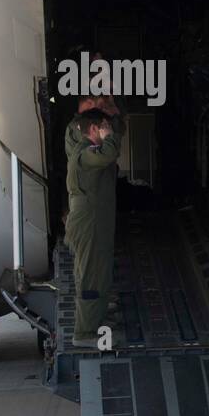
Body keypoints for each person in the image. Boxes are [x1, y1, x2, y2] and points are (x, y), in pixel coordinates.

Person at [65, 109, 121, 348]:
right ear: (94, 129)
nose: (108, 130)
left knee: (98, 272)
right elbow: (108, 155)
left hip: (94, 220)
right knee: (89, 275)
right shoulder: (86, 154)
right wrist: (109, 137)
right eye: (104, 127)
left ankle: (96, 318)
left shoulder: (85, 149)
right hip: (88, 222)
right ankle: (84, 332)